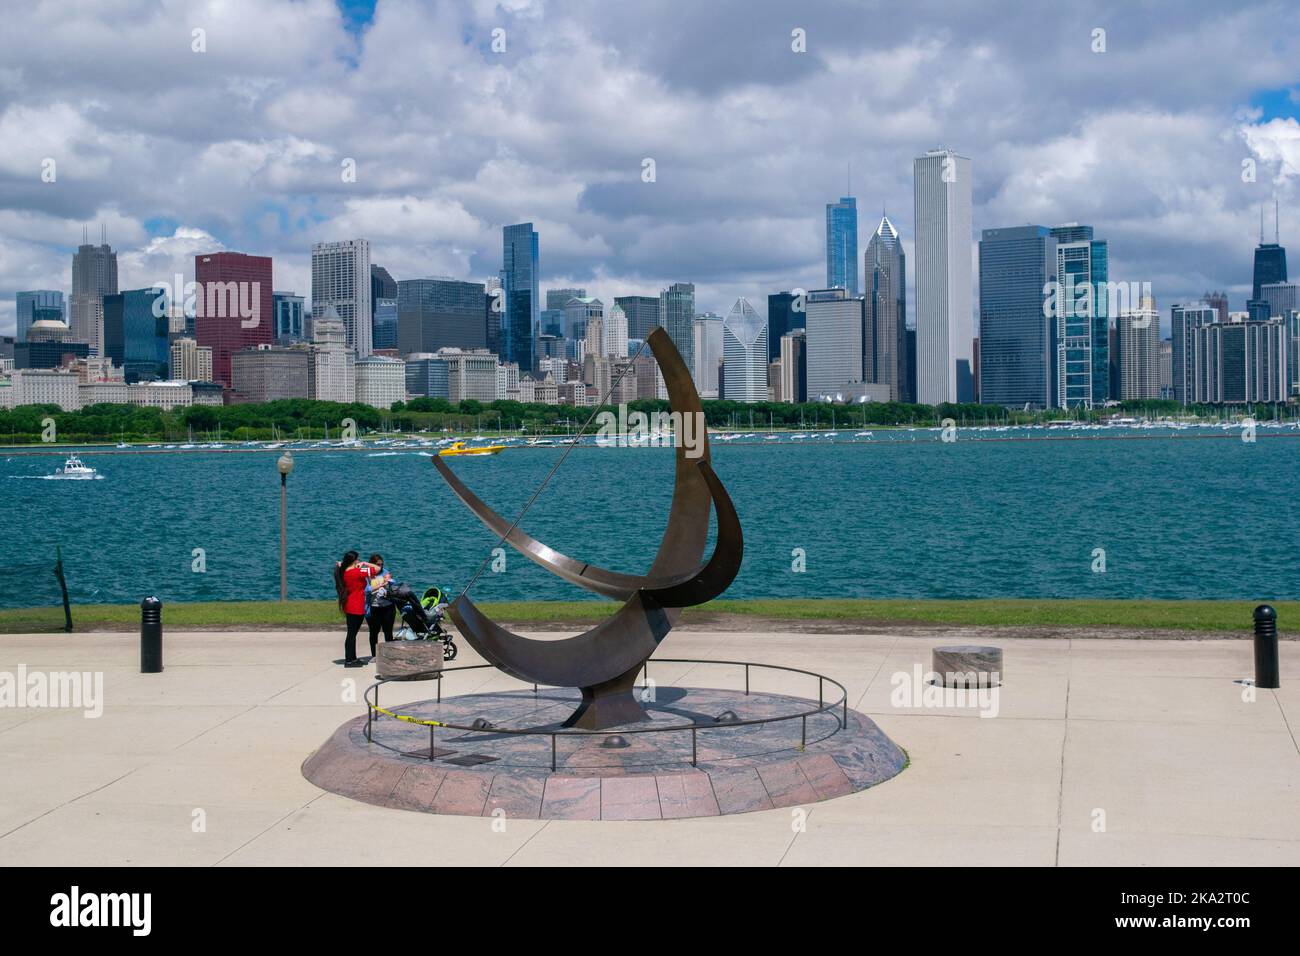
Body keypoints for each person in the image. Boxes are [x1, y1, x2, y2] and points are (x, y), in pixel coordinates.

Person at [333, 550, 381, 666]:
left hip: (349, 605)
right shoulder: (357, 572)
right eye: (358, 559)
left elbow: (340, 566)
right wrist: (365, 563)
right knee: (352, 634)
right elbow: (377, 569)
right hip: (356, 606)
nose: (359, 561)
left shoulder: (344, 571)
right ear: (354, 561)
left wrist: (343, 564)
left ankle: (352, 658)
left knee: (351, 633)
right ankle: (349, 660)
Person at [365, 553, 396, 655]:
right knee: (374, 633)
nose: (380, 567)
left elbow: (393, 583)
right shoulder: (367, 575)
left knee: (388, 632)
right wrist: (378, 586)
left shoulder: (385, 572)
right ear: (372, 565)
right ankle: (374, 655)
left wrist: (390, 582)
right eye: (378, 564)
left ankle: (390, 654)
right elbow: (365, 590)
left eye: (382, 564)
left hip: (388, 606)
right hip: (374, 607)